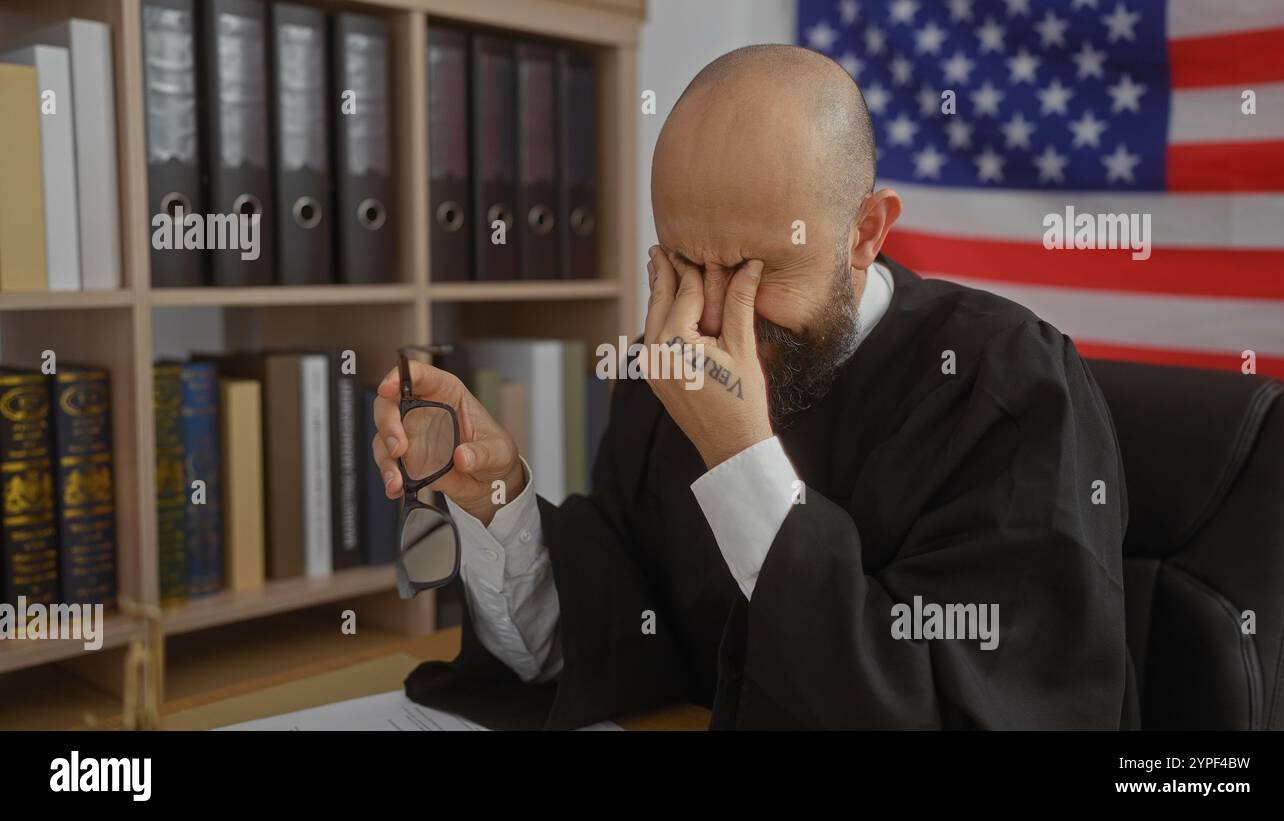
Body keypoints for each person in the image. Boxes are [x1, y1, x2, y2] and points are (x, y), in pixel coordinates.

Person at [372, 44, 1139, 729]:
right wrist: (496, 496)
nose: (707, 317)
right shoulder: (669, 364)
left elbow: (967, 704)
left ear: (865, 233)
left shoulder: (1007, 387)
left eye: (752, 271)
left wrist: (741, 456)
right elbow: (613, 637)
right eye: (680, 260)